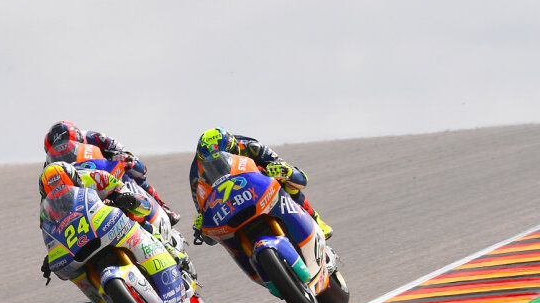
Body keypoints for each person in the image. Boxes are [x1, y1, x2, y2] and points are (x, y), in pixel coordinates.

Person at [37, 161, 192, 282]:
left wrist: (123, 199)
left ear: (77, 180)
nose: (61, 197)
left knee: (131, 210)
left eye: (66, 189)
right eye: (55, 194)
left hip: (105, 213)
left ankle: (169, 249)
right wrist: (50, 255)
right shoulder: (45, 212)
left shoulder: (95, 178)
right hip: (81, 235)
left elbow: (121, 189)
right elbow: (52, 234)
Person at [188, 127, 333, 241]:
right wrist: (202, 220)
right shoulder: (196, 174)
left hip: (260, 184)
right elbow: (203, 209)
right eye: (212, 163)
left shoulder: (251, 146)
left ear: (234, 147)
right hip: (230, 202)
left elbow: (299, 178)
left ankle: (314, 218)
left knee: (288, 180)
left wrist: (283, 170)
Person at [43, 120, 182, 225]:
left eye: (67, 149)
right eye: (58, 153)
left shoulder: (96, 138)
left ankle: (163, 208)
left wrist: (123, 158)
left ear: (78, 140)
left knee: (136, 172)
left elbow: (130, 158)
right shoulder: (49, 163)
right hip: (80, 184)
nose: (63, 156)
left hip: (104, 172)